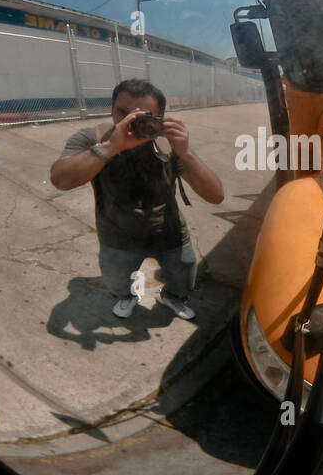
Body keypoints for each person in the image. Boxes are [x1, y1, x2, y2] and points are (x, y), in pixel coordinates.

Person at [50, 79, 224, 320]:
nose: (130, 122)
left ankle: (172, 297)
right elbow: (61, 180)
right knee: (118, 281)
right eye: (122, 113)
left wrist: (186, 153)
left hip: (169, 232)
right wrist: (110, 147)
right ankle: (126, 297)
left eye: (143, 116)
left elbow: (215, 195)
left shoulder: (168, 143)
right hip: (117, 236)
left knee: (184, 279)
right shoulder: (94, 138)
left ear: (160, 118)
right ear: (112, 109)